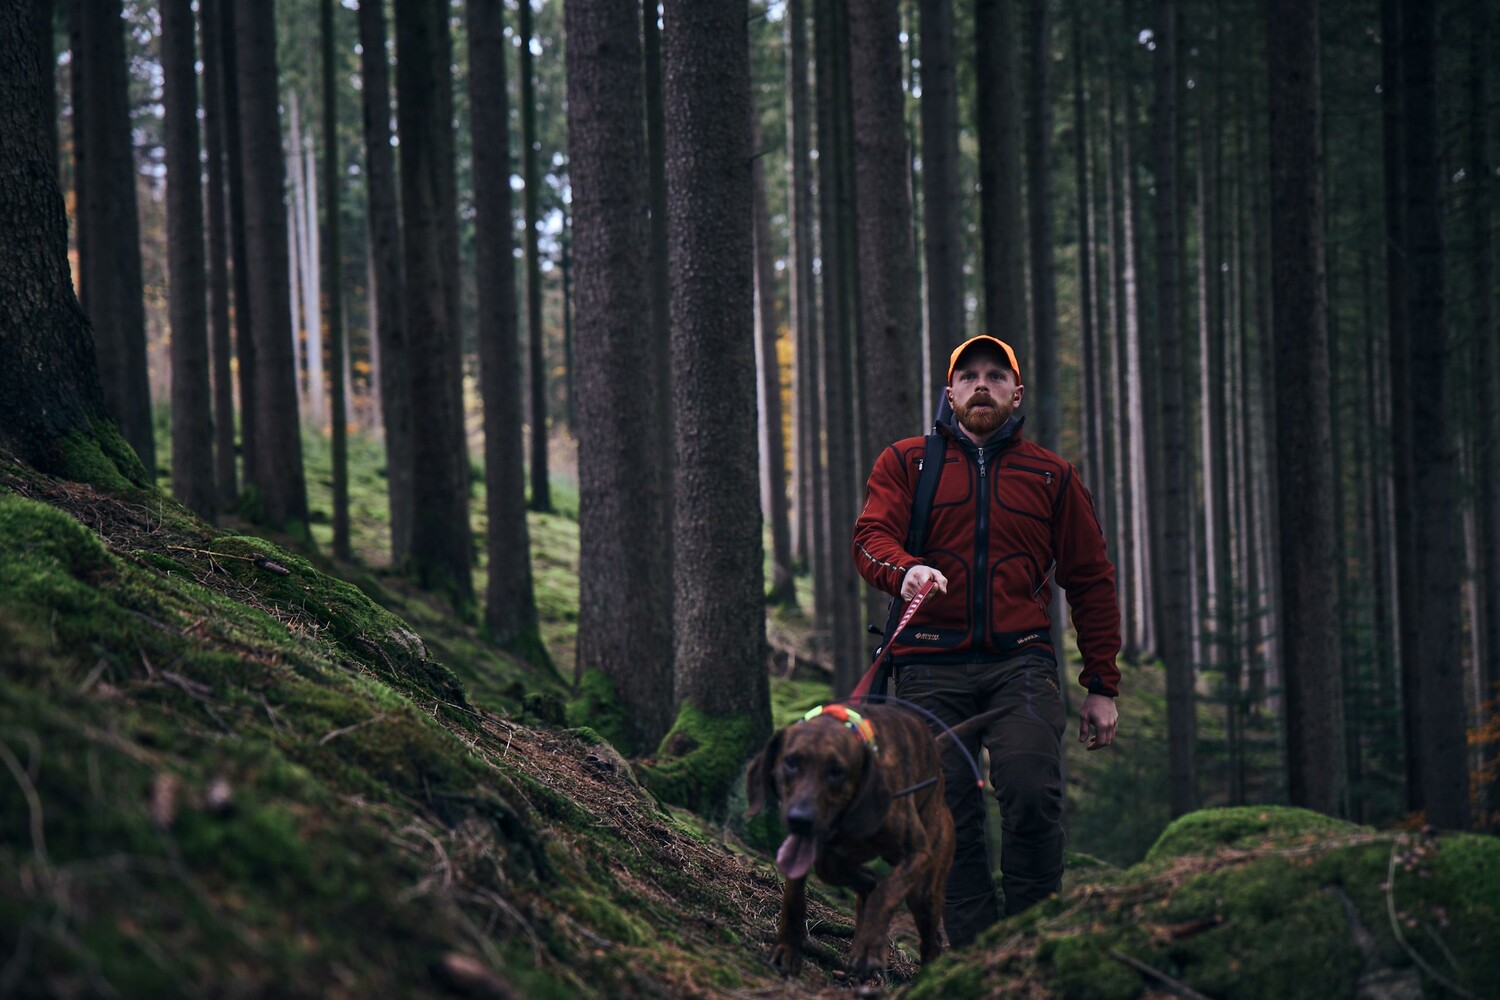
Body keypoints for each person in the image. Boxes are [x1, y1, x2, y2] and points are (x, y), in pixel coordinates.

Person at [851, 334, 1121, 947]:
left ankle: (1032, 942)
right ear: (948, 393)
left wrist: (1102, 685)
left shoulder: (1052, 476)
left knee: (1031, 790)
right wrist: (907, 570)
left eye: (996, 376)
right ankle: (976, 956)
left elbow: (1091, 579)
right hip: (925, 667)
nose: (981, 385)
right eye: (967, 375)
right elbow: (870, 538)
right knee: (947, 819)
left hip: (1019, 664)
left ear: (1015, 393)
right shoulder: (907, 462)